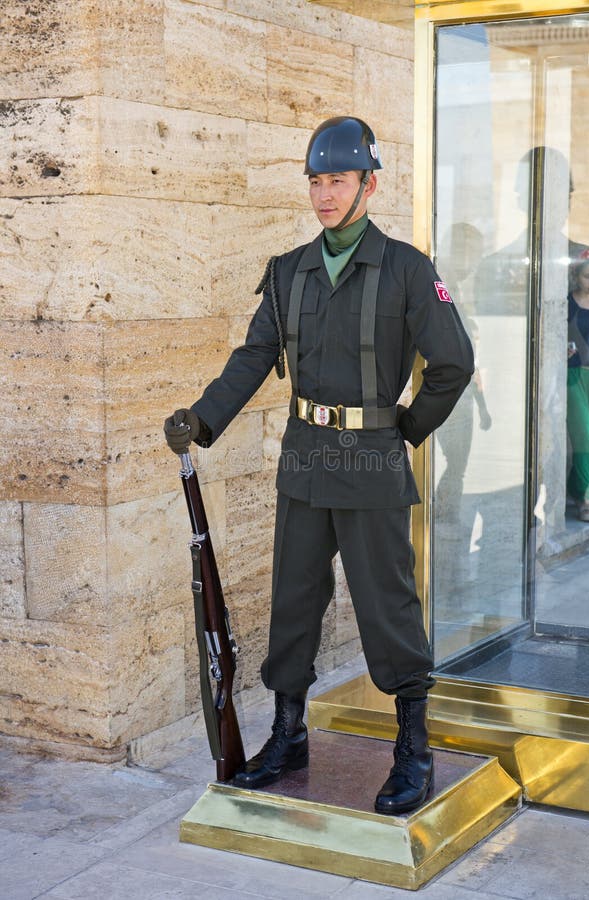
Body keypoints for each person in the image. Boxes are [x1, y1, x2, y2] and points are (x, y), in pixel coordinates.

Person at [164, 117, 474, 814]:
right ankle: (287, 734)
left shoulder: (405, 268)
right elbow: (252, 356)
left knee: (387, 609)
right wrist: (203, 417)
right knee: (294, 603)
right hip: (304, 460)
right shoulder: (287, 272)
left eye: (337, 180)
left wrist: (403, 431)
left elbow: (453, 364)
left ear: (368, 182)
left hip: (370, 463)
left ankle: (411, 749)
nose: (324, 194)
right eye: (315, 181)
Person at [567, 249, 589, 522]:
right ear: (575, 276)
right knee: (584, 437)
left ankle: (584, 489)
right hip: (574, 377)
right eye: (588, 276)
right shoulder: (566, 304)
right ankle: (586, 498)